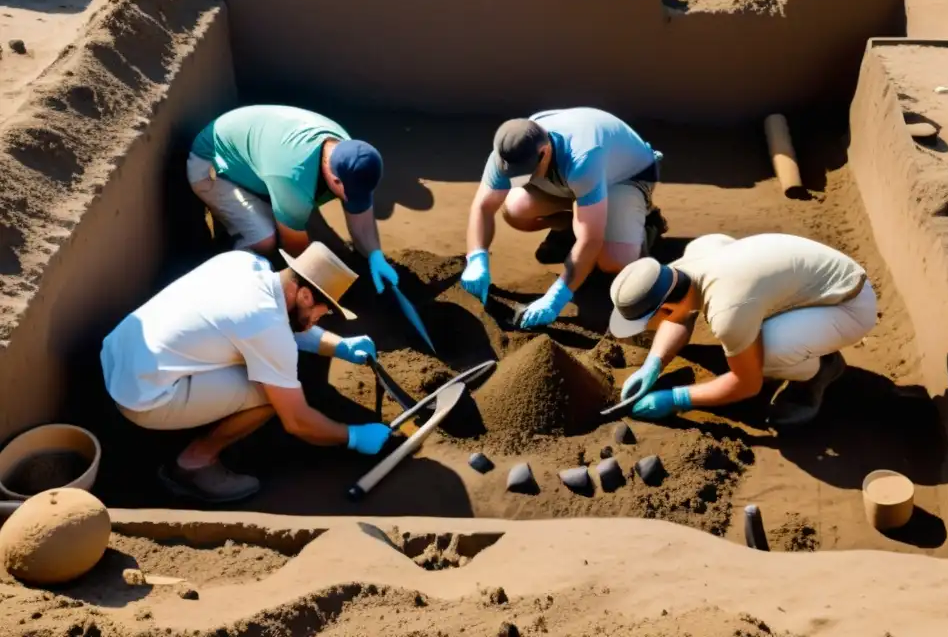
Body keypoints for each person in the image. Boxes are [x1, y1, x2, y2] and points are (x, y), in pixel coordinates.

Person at [101, 241, 392, 503]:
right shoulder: (265, 325)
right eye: (323, 311)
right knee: (269, 395)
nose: (320, 318)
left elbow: (276, 324)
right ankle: (193, 465)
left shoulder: (244, 263)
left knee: (262, 362)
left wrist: (338, 346)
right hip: (143, 398)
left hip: (119, 354)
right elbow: (298, 422)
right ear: (304, 296)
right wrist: (353, 437)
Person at [607, 233, 878, 426]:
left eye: (645, 323)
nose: (646, 329)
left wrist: (675, 398)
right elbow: (679, 316)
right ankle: (804, 342)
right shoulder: (682, 269)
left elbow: (747, 384)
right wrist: (653, 364)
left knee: (765, 356)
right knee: (712, 248)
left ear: (664, 309)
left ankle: (818, 374)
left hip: (850, 304)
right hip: (812, 287)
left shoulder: (728, 311)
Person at [460, 107, 667, 329]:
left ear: (545, 152)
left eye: (526, 171)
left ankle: (647, 225)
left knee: (613, 260)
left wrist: (556, 298)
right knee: (516, 209)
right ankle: (577, 227)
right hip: (573, 182)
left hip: (624, 176)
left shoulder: (583, 158)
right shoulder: (509, 151)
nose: (519, 177)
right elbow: (483, 206)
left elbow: (591, 239)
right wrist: (476, 258)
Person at [187, 104, 399, 294]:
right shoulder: (292, 177)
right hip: (211, 165)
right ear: (335, 180)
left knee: (294, 209)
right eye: (351, 194)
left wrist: (374, 255)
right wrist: (327, 288)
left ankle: (266, 202)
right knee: (265, 240)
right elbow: (294, 246)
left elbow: (361, 219)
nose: (354, 200)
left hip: (256, 153)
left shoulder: (350, 153)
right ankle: (226, 276)